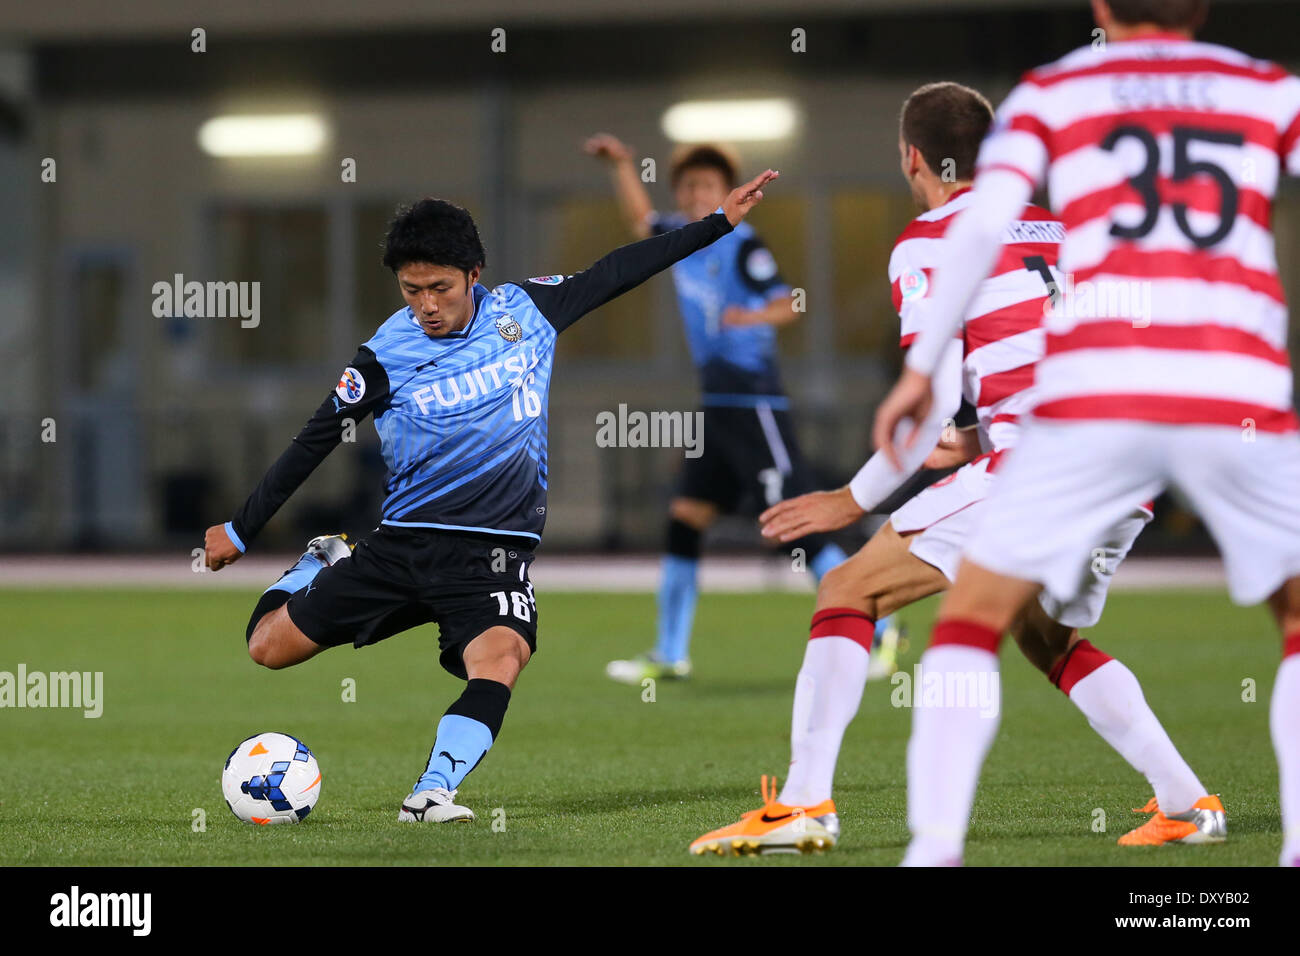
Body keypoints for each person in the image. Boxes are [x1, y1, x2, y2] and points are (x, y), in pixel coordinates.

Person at [688, 82, 1213, 856]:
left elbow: (928, 401)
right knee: (1045, 636)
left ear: (913, 159)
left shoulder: (934, 236)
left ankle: (803, 803)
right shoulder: (1065, 228)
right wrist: (986, 433)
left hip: (1044, 469)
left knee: (847, 585)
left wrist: (849, 497)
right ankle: (1187, 803)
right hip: (1125, 464)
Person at [202, 173, 778, 823]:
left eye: (440, 288)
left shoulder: (526, 313)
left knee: (502, 657)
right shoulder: (386, 354)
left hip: (493, 557)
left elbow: (620, 269)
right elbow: (314, 440)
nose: (427, 305)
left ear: (474, 275)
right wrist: (242, 528)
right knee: (267, 648)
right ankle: (320, 561)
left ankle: (431, 793)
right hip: (405, 545)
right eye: (412, 290)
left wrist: (717, 225)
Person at [873, 0, 1300, 866]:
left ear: (1104, 10)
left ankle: (935, 850)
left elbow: (982, 223)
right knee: (1292, 620)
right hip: (1237, 381)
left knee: (973, 619)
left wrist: (922, 375)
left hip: (1099, 393)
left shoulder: (1054, 90)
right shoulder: (1266, 89)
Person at [585, 133, 878, 683]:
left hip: (753, 401)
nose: (697, 194)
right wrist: (623, 164)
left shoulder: (745, 243)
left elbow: (788, 303)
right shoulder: (678, 235)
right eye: (690, 186)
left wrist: (751, 319)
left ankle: (880, 630)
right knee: (685, 518)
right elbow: (639, 219)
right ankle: (671, 652)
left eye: (708, 186)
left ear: (728, 193)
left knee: (796, 522)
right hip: (717, 405)